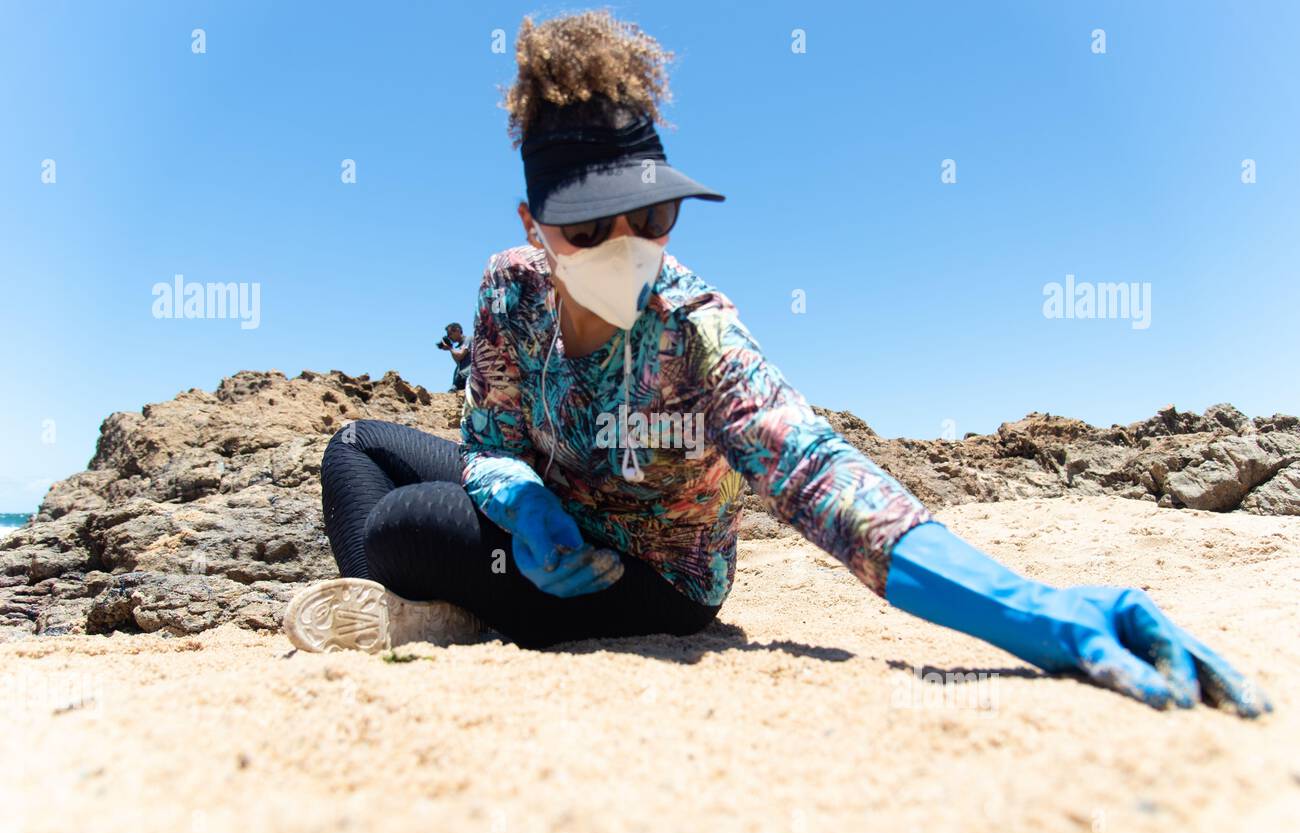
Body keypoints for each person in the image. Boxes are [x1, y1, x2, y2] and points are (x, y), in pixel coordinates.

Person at [283, 11, 1267, 717]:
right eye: (589, 226)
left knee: (412, 524)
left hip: (641, 575)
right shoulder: (509, 293)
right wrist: (521, 502)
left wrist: (1037, 613)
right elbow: (492, 444)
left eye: (653, 215)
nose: (629, 245)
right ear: (533, 228)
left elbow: (826, 481)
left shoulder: (696, 336)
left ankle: (433, 609)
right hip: (543, 533)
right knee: (353, 449)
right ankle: (435, 606)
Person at [437, 322, 472, 392]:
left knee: (452, 391)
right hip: (463, 375)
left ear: (458, 330)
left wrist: (450, 348)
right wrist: (450, 348)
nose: (449, 337)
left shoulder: (469, 339)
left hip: (468, 374)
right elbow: (458, 362)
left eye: (450, 334)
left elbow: (460, 356)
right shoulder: (459, 346)